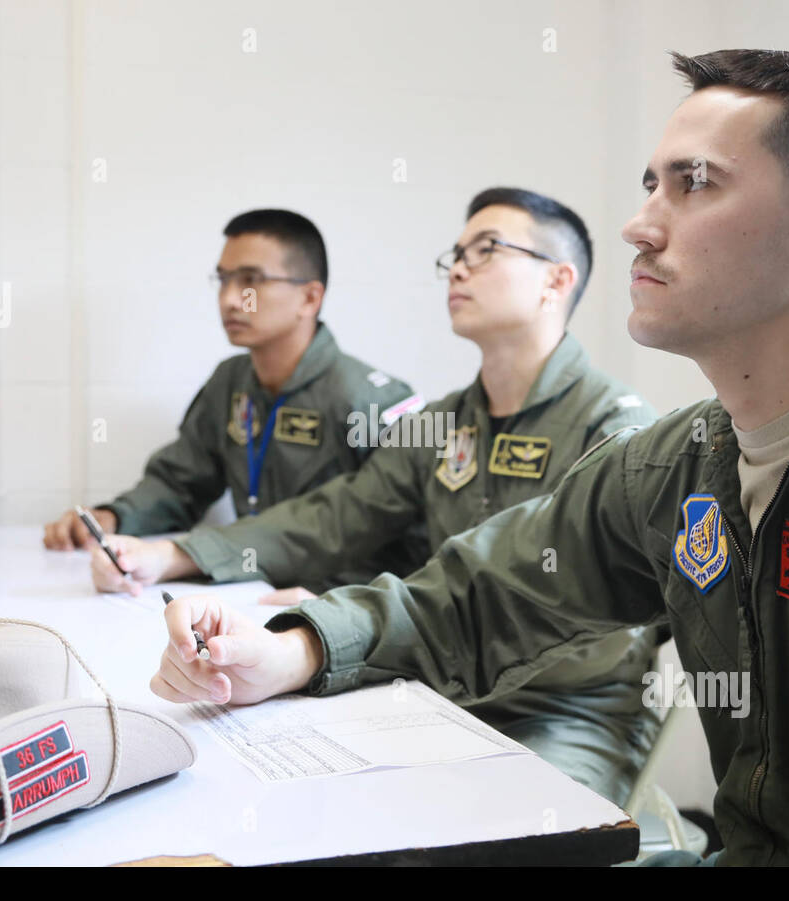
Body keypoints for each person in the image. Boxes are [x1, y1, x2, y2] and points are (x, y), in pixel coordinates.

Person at [147, 50, 789, 865]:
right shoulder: (679, 463)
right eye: (649, 184)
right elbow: (480, 593)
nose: (638, 226)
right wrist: (291, 649)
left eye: (693, 186)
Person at [92, 188, 664, 806]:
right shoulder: (443, 421)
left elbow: (592, 617)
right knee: (290, 798)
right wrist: (177, 552)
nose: (461, 266)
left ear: (557, 280)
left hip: (563, 708)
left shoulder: (616, 426)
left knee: (523, 834)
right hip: (439, 684)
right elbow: (338, 513)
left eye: (487, 249)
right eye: (457, 253)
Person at [42, 209, 421, 586]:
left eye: (251, 281)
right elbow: (181, 481)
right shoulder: (231, 382)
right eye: (223, 280)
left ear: (309, 297)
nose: (230, 299)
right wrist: (116, 518)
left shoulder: (372, 400)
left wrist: (337, 601)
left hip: (341, 608)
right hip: (250, 590)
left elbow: (412, 542)